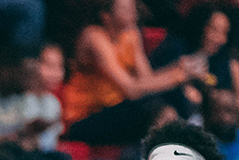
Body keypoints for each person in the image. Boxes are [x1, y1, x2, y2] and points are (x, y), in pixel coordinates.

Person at [64, 0, 206, 146]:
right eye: (125, 9)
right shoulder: (94, 36)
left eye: (133, 8)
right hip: (86, 117)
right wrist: (178, 74)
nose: (133, 13)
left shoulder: (131, 34)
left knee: (171, 99)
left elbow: (147, 80)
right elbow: (131, 89)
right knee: (155, 111)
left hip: (119, 109)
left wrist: (179, 70)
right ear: (106, 15)